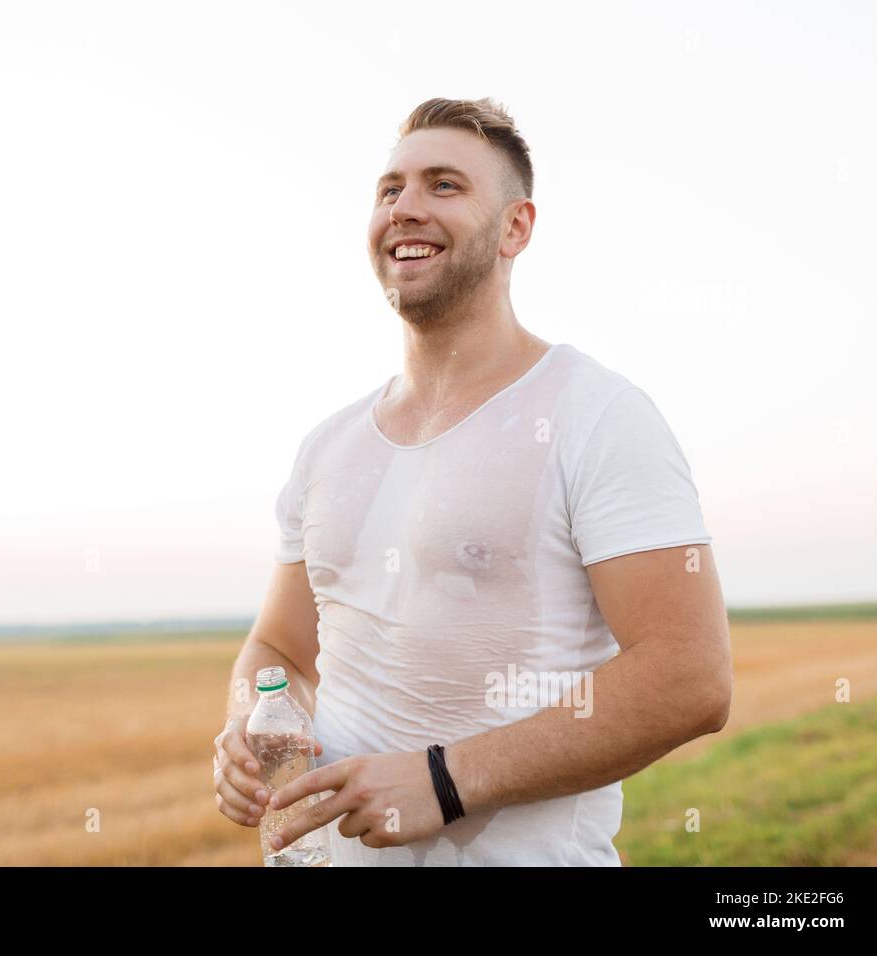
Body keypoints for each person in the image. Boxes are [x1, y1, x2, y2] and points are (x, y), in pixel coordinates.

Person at [212, 97, 732, 866]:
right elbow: (282, 649)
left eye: (444, 186)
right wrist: (246, 728)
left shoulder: (597, 415)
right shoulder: (328, 447)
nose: (405, 208)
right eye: (390, 189)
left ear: (516, 227)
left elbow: (690, 676)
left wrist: (444, 780)